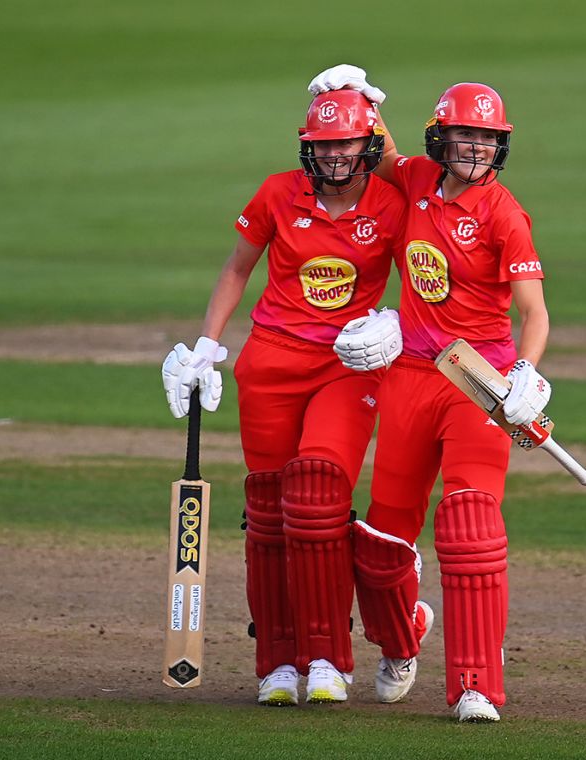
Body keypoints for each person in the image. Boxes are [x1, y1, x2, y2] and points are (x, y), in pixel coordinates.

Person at [310, 65, 552, 723]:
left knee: (472, 524)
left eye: (485, 139)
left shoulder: (505, 214)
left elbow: (535, 312)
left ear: (497, 146)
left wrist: (526, 377)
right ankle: (400, 640)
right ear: (440, 140)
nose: (473, 149)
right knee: (382, 541)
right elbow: (379, 152)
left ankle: (475, 683)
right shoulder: (415, 179)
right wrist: (359, 98)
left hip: (479, 382)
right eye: (462, 137)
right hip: (412, 376)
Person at [162, 88, 408, 706]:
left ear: (369, 144)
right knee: (269, 514)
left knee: (321, 492)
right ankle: (275, 663)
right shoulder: (278, 193)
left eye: (346, 143)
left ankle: (327, 656)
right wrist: (205, 346)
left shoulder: (393, 204)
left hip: (347, 364)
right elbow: (237, 268)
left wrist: (397, 323)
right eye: (322, 145)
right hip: (271, 360)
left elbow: (430, 278)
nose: (333, 156)